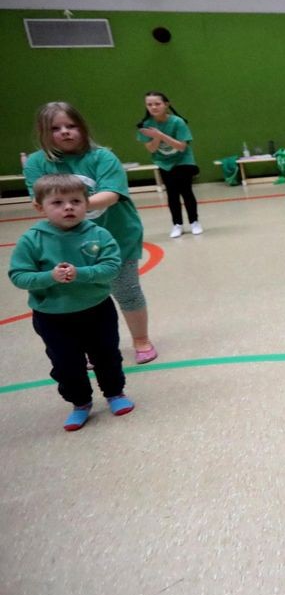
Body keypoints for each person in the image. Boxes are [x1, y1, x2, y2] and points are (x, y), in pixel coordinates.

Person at [24, 102, 158, 364]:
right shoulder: (37, 163)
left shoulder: (102, 157)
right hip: (67, 242)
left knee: (126, 289)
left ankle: (141, 339)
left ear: (82, 128)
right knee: (81, 296)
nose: (65, 132)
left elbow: (112, 193)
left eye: (71, 126)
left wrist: (69, 205)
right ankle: (91, 346)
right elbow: (38, 199)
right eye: (56, 128)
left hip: (116, 236)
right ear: (43, 132)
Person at [8, 174, 134, 431]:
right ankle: (80, 403)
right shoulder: (32, 240)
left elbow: (111, 268)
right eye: (57, 202)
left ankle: (115, 393)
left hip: (97, 309)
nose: (68, 207)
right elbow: (18, 276)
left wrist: (82, 273)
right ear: (39, 207)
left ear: (87, 204)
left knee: (107, 354)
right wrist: (49, 277)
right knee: (65, 362)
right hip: (52, 316)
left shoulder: (99, 234)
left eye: (76, 201)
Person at [137, 91, 200, 237]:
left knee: (186, 191)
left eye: (157, 104)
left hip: (183, 160)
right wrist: (156, 138)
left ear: (166, 104)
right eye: (149, 104)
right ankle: (177, 224)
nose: (153, 107)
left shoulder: (177, 122)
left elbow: (181, 146)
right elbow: (151, 148)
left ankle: (194, 222)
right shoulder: (145, 125)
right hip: (164, 162)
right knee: (172, 194)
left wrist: (161, 135)